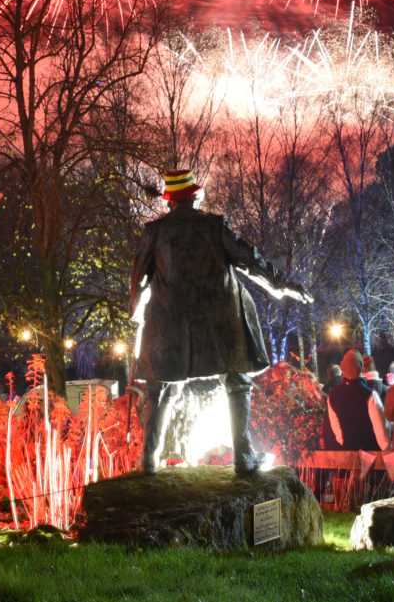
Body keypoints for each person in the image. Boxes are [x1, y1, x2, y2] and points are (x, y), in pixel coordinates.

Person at [131, 168, 311, 475]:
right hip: (220, 323)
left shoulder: (154, 232)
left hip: (171, 324)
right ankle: (244, 456)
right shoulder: (214, 226)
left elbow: (138, 281)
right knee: (237, 382)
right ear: (195, 197)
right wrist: (284, 286)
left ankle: (149, 459)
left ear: (171, 203)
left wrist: (137, 314)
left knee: (160, 389)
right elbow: (252, 261)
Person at [326, 349, 389, 452]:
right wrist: (387, 450)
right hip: (371, 453)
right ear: (361, 367)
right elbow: (381, 430)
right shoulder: (369, 394)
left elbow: (336, 427)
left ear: (343, 369)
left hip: (348, 453)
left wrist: (347, 444)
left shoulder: (333, 395)